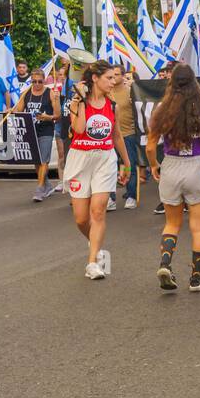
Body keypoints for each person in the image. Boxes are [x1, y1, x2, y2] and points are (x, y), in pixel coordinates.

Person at [146, 63, 200, 293]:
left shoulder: (163, 108)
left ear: (171, 81)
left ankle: (165, 264)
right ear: (194, 81)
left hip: (171, 165)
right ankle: (196, 279)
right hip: (196, 166)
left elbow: (150, 146)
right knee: (198, 227)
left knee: (172, 223)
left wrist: (153, 166)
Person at [62, 61, 131, 281]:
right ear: (95, 78)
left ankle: (92, 262)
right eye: (109, 78)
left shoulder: (112, 105)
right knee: (81, 219)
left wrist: (126, 163)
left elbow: (117, 135)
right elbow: (79, 129)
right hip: (80, 160)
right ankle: (95, 242)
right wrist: (81, 100)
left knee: (98, 211)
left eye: (114, 78)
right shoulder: (76, 102)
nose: (113, 82)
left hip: (105, 158)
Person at [11, 68, 58, 200]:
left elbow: (57, 115)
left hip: (46, 130)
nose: (37, 84)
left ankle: (39, 189)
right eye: (34, 81)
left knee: (44, 160)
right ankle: (46, 184)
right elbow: (19, 111)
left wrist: (46, 117)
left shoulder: (50, 93)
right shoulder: (26, 93)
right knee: (36, 161)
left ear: (44, 81)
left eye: (40, 81)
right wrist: (11, 111)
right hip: (31, 130)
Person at [110, 67, 139, 209]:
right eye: (111, 75)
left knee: (130, 166)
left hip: (128, 134)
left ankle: (131, 195)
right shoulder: (106, 92)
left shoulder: (130, 92)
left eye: (116, 74)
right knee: (110, 168)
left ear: (122, 76)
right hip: (110, 136)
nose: (113, 77)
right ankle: (111, 198)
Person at [53, 57, 72, 190]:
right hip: (60, 125)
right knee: (61, 154)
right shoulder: (53, 89)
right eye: (60, 74)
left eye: (64, 74)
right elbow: (57, 113)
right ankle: (62, 181)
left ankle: (71, 181)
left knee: (70, 155)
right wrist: (55, 99)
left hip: (71, 125)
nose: (62, 76)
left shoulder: (72, 87)